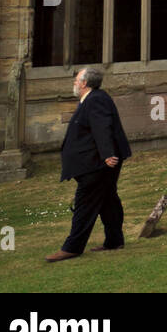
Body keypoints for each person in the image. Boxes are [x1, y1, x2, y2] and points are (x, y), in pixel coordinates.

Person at [45, 68, 132, 262]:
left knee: (84, 203)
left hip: (96, 164)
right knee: (108, 200)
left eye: (76, 80)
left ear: (84, 83)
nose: (74, 83)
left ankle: (72, 247)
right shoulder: (91, 99)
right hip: (95, 161)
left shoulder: (96, 99)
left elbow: (102, 127)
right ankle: (114, 241)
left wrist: (108, 154)